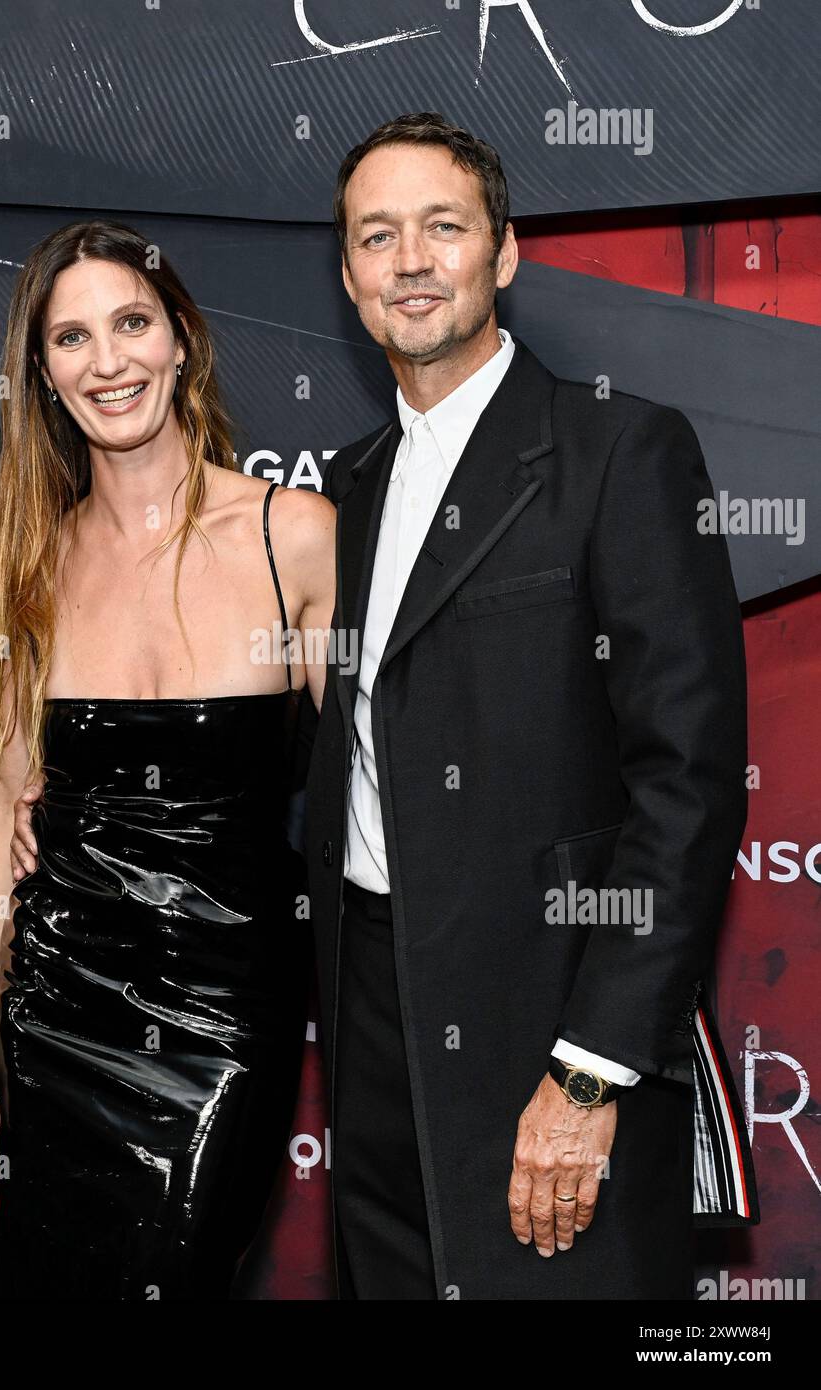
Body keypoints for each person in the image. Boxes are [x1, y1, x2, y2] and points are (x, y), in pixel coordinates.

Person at [302, 112, 758, 1300]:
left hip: (549, 1028)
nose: (411, 260)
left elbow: (687, 784)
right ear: (349, 274)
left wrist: (594, 1068)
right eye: (377, 236)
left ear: (503, 254)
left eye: (443, 228)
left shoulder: (621, 453)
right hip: (371, 1035)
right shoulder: (341, 493)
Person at [0, 217, 335, 1300]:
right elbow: (6, 800)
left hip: (225, 1018)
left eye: (131, 323)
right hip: (60, 1009)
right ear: (44, 374)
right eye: (72, 339)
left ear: (181, 341)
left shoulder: (293, 536)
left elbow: (379, 770)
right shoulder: (36, 559)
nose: (108, 360)